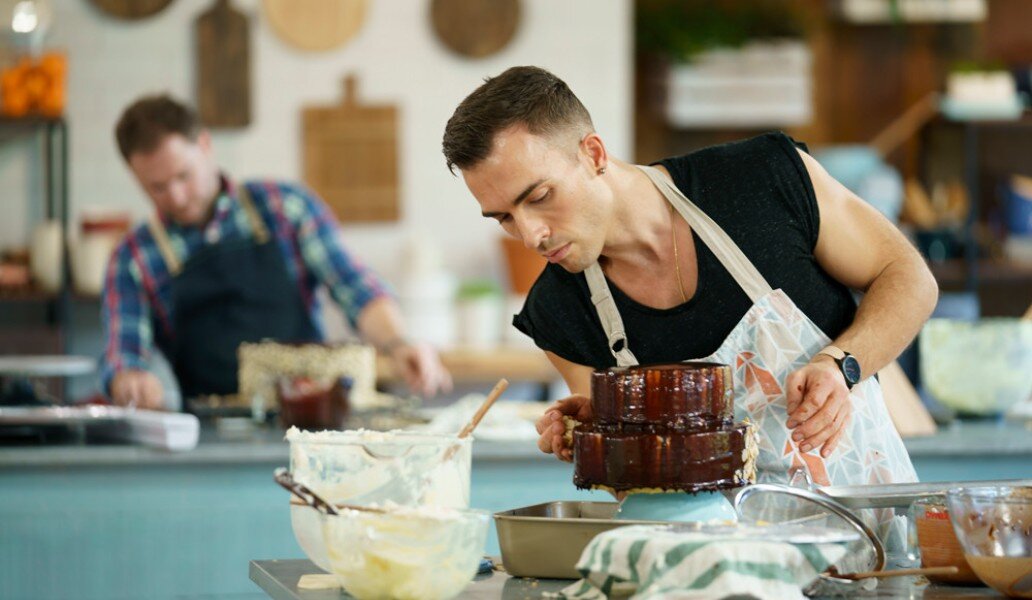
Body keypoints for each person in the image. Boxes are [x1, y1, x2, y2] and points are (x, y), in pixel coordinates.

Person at [442, 66, 938, 494]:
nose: (530, 235)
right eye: (503, 217)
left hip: (871, 536)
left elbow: (908, 276)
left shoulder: (760, 180)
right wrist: (597, 440)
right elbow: (633, 488)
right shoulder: (559, 309)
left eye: (540, 196)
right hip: (712, 568)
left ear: (593, 154)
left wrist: (842, 365)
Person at [101, 94, 450, 409]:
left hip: (310, 416)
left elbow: (354, 286)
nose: (176, 196)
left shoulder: (285, 208)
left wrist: (399, 343)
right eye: (157, 187)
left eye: (183, 176)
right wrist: (129, 378)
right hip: (209, 432)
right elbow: (124, 352)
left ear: (205, 145)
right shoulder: (134, 257)